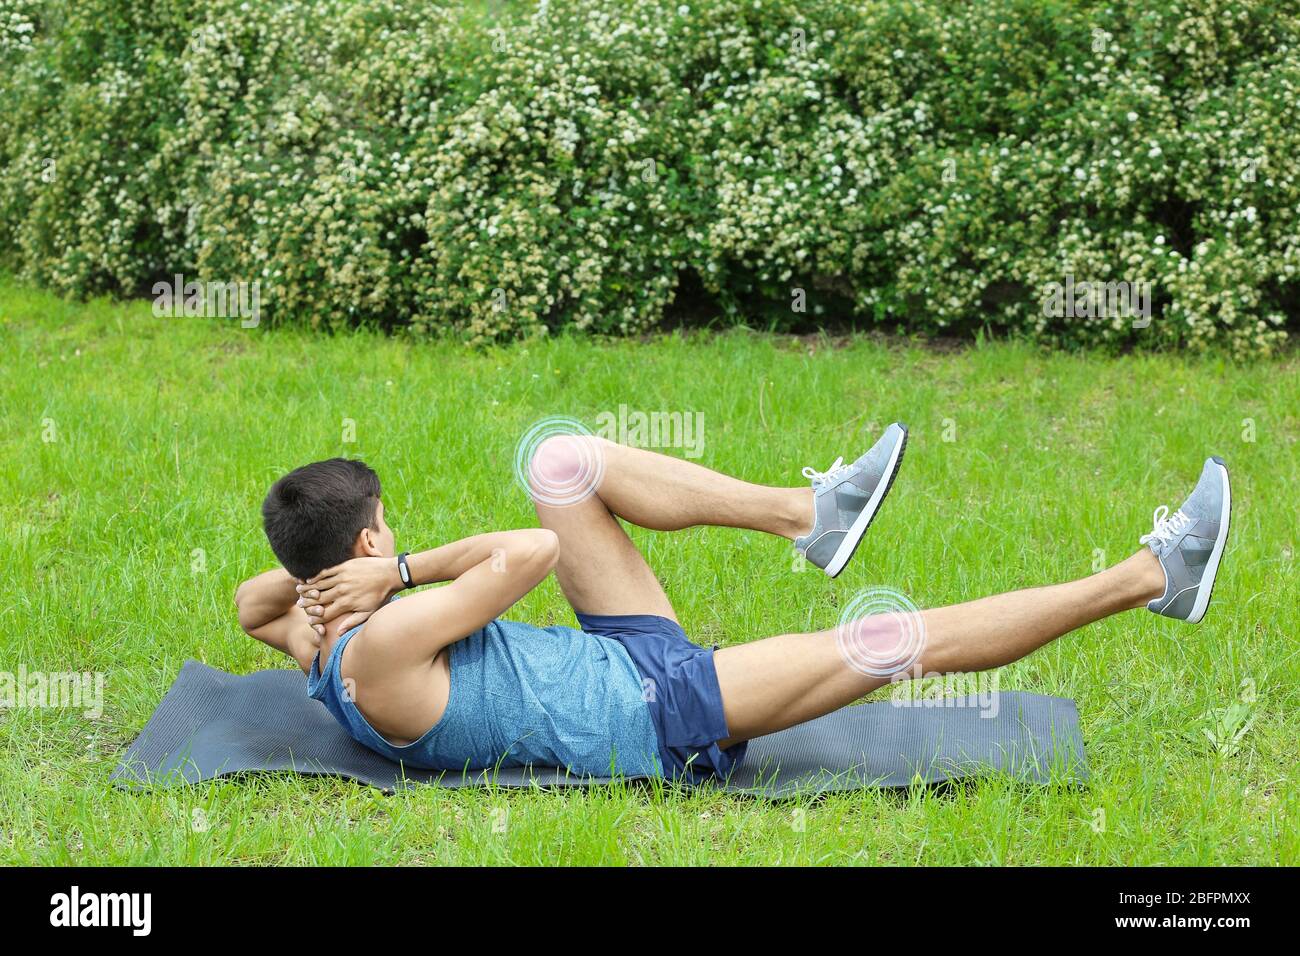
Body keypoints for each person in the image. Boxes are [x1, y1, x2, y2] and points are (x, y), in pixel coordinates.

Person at [233, 424, 1231, 784]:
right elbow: (528, 551)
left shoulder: (305, 626)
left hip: (624, 655)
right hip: (660, 717)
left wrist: (330, 578)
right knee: (889, 642)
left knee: (561, 462)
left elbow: (251, 596)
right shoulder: (395, 628)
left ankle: (811, 513)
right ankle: (1152, 577)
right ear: (368, 543)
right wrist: (399, 572)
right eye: (388, 532)